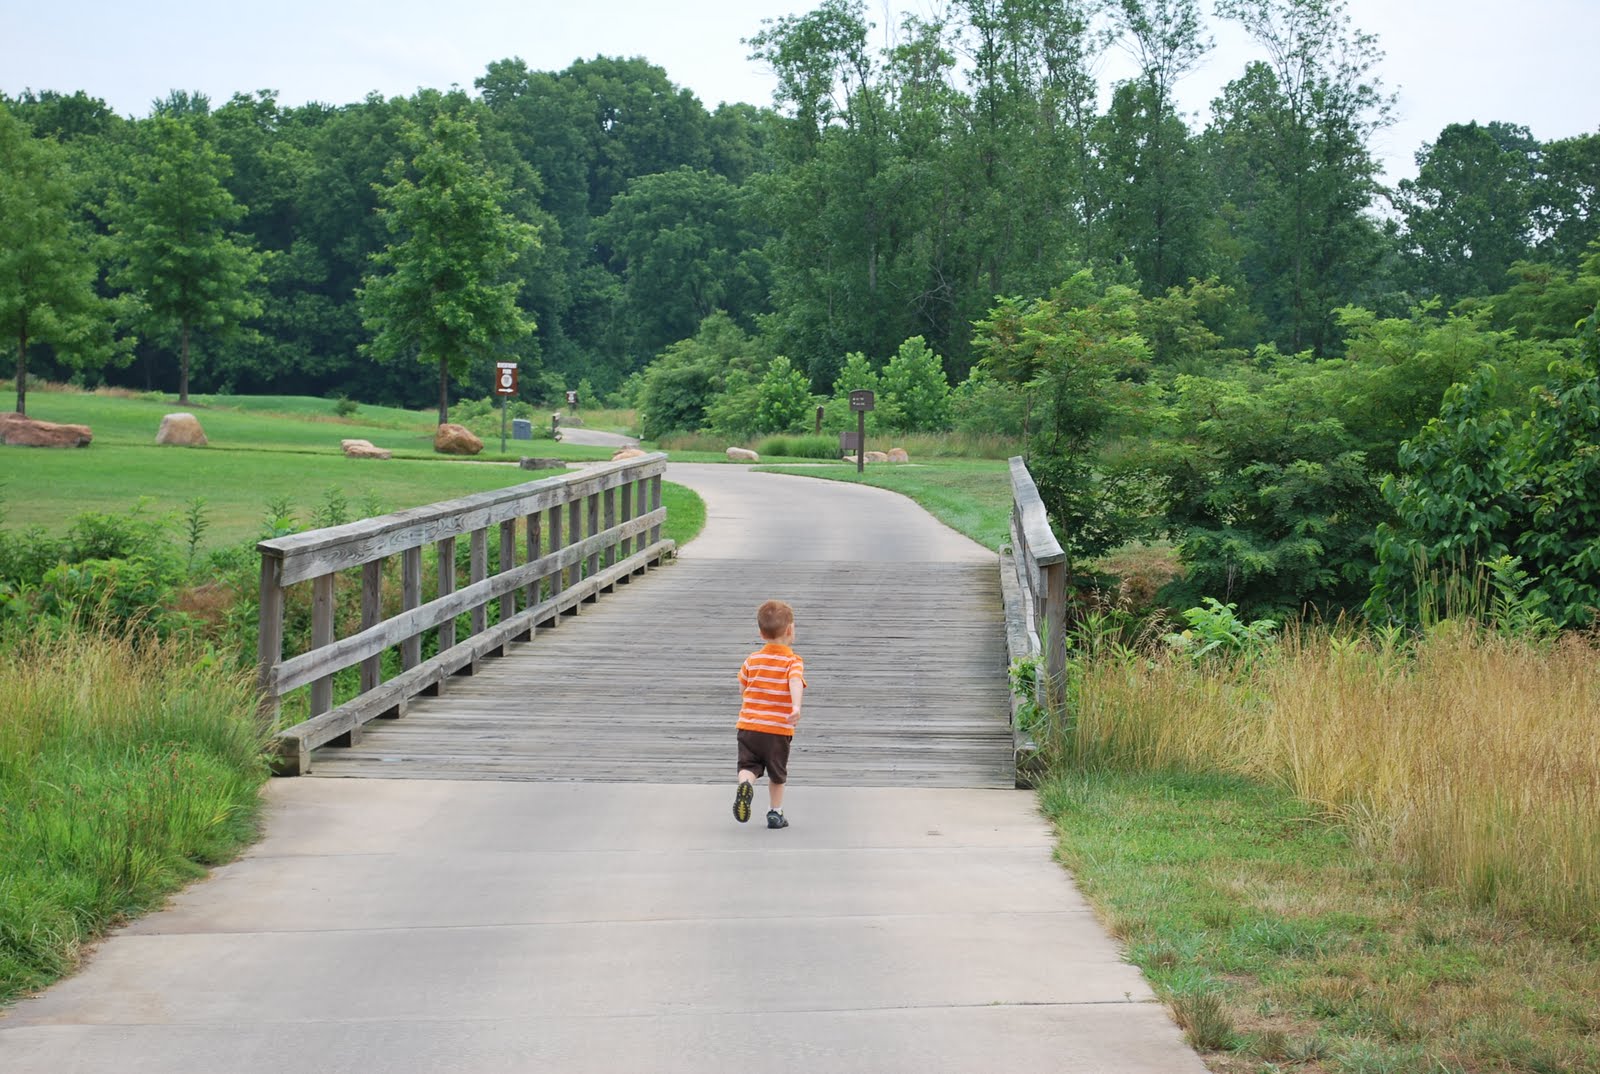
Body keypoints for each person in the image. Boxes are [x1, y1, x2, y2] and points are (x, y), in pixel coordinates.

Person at [733, 599, 806, 829]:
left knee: (748, 765)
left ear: (761, 633)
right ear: (790, 630)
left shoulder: (752, 660)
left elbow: (742, 688)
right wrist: (795, 706)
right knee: (777, 774)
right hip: (777, 729)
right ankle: (775, 813)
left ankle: (746, 784)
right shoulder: (792, 661)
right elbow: (795, 681)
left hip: (749, 727)